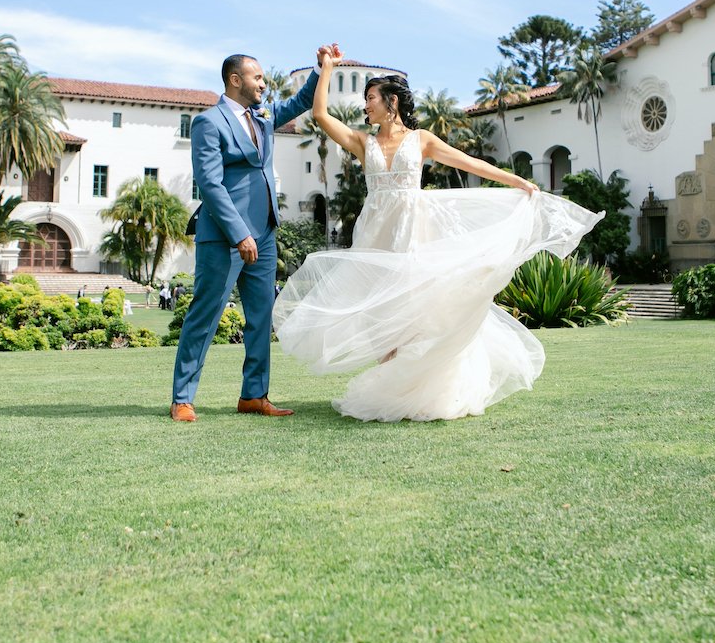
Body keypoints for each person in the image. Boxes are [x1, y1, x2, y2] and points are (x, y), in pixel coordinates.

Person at [273, 45, 602, 422]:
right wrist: (326, 69)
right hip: (376, 233)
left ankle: (416, 388)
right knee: (381, 311)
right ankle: (389, 388)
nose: (366, 106)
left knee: (415, 310)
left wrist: (515, 181)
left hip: (414, 230)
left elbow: (468, 162)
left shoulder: (422, 139)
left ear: (390, 102)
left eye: (371, 99)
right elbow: (319, 113)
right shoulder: (364, 143)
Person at [169, 46, 335, 422]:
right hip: (224, 237)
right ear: (235, 80)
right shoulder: (208, 123)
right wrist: (239, 233)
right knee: (205, 315)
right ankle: (182, 398)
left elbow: (304, 100)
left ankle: (254, 396)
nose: (264, 83)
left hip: (264, 234)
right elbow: (210, 184)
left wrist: (322, 67)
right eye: (257, 77)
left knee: (261, 318)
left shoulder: (264, 116)